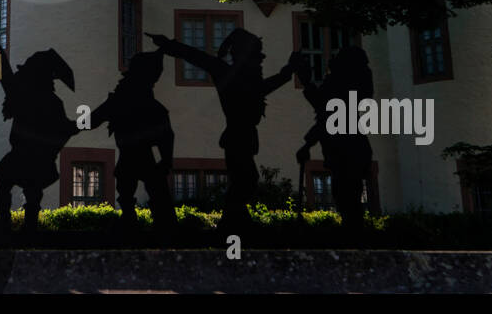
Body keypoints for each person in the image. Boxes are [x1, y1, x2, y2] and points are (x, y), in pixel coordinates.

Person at [147, 28, 294, 231]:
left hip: (243, 137)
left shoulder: (243, 76)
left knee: (245, 180)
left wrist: (286, 74)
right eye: (256, 56)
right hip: (237, 137)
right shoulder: (228, 73)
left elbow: (260, 87)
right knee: (246, 180)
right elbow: (196, 56)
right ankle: (232, 221)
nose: (261, 60)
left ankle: (234, 219)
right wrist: (169, 45)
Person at [91, 49, 177, 235]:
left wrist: (72, 125)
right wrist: (166, 159)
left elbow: (166, 134)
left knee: (136, 186)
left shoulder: (127, 98)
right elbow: (166, 135)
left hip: (135, 153)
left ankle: (143, 221)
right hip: (136, 154)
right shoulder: (142, 101)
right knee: (135, 186)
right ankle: (145, 222)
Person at [0, 48, 76, 236]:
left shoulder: (30, 95)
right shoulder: (49, 100)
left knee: (11, 188)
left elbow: (8, 80)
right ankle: (19, 225)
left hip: (27, 153)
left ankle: (10, 224)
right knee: (23, 191)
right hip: (33, 155)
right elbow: (63, 129)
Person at [298, 45, 374, 234]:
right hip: (351, 147)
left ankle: (353, 237)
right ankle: (354, 235)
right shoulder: (352, 86)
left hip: (343, 149)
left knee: (346, 196)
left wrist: (307, 82)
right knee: (348, 196)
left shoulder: (342, 85)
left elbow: (324, 112)